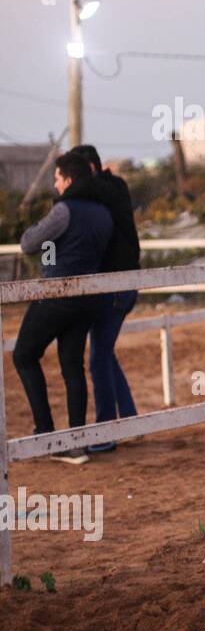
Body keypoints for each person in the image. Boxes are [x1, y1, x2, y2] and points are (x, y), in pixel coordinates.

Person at [12, 153, 113, 461]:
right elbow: (57, 252)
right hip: (89, 298)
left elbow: (29, 243)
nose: (54, 183)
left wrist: (46, 249)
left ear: (68, 180)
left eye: (56, 178)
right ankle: (75, 442)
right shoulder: (102, 211)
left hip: (58, 296)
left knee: (24, 355)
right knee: (72, 366)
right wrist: (51, 254)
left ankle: (45, 432)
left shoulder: (63, 210)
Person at [69, 144, 141, 454]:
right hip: (120, 284)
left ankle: (105, 431)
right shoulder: (113, 188)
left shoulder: (107, 187)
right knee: (105, 353)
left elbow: (77, 190)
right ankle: (128, 419)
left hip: (115, 286)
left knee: (98, 358)